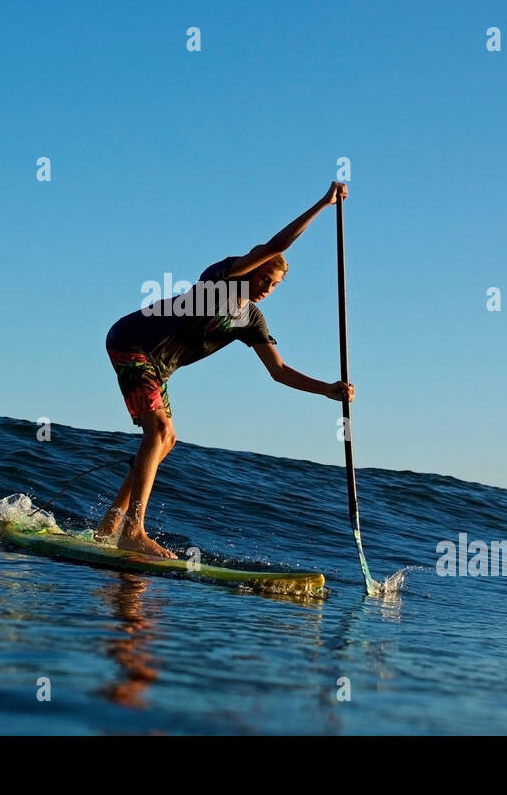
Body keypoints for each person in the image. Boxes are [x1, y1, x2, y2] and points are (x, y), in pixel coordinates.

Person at [97, 182, 357, 557]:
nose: (267, 288)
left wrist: (328, 390)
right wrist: (323, 203)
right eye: (263, 279)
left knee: (166, 441)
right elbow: (274, 247)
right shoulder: (222, 278)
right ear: (249, 270)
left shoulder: (251, 319)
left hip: (160, 366)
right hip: (132, 342)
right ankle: (133, 530)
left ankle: (111, 523)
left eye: (274, 285)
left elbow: (279, 371)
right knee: (160, 430)